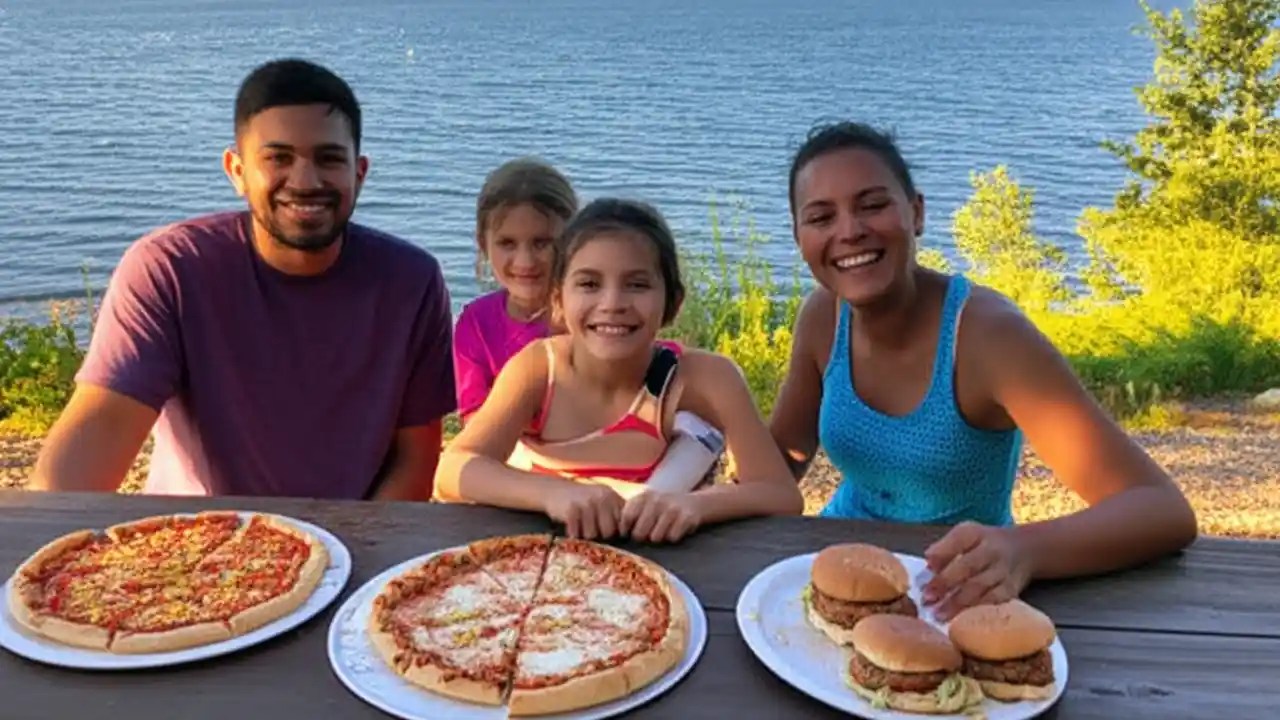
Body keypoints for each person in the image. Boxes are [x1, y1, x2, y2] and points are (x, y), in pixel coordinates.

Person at [769, 121, 1197, 620]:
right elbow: (782, 459)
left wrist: (1024, 550)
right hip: (839, 567)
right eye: (821, 216)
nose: (849, 231)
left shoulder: (989, 337)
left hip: (950, 590)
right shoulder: (823, 316)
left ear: (916, 212)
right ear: (799, 237)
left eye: (872, 205)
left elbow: (1160, 509)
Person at [31, 58, 456, 501]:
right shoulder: (170, 269)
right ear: (236, 170)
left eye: (329, 159)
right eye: (278, 158)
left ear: (360, 173)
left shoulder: (412, 282)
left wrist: (358, 548)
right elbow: (96, 438)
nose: (305, 181)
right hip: (199, 544)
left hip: (360, 538)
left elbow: (416, 456)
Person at [435, 198, 804, 541]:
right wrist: (556, 493)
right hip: (537, 559)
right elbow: (453, 470)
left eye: (637, 285)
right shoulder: (538, 370)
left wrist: (697, 505)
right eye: (589, 284)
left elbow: (780, 493)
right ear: (558, 301)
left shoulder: (706, 378)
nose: (612, 304)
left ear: (672, 303)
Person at [450, 158, 726, 495]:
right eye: (508, 243)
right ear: (483, 244)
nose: (525, 261)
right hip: (528, 466)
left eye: (542, 243)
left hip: (620, 458)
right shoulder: (481, 326)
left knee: (694, 438)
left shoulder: (599, 321)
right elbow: (475, 433)